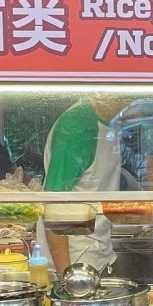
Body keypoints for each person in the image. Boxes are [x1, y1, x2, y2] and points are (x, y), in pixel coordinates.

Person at [40, 95, 132, 272]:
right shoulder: (77, 125)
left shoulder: (111, 122)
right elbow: (53, 206)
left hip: (102, 254)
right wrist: (66, 276)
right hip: (76, 260)